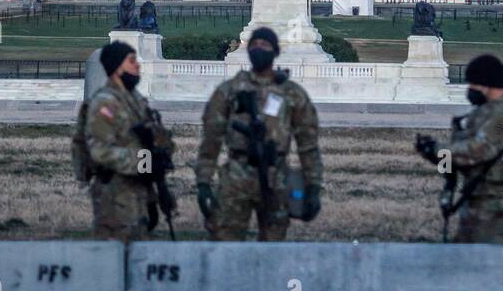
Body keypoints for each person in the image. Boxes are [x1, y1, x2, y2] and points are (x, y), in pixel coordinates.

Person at [194, 26, 322, 241]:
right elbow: (211, 140)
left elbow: (308, 144)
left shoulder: (292, 94)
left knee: (273, 243)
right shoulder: (230, 90)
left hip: (276, 176)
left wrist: (313, 185)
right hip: (237, 175)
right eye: (254, 45)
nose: (259, 49)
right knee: (224, 240)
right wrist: (203, 182)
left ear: (275, 51)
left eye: (265, 45)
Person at [414, 53, 503, 243]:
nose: (470, 89)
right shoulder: (482, 114)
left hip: (499, 208)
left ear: (486, 84)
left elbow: (478, 150)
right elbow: (456, 158)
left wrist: (438, 150)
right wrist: (435, 154)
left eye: (473, 84)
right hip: (476, 199)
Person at [79, 40, 176, 242]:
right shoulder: (104, 103)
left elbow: (152, 139)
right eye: (131, 61)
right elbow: (100, 151)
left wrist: (160, 155)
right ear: (116, 68)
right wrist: (145, 163)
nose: (138, 66)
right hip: (115, 194)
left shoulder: (136, 100)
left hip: (140, 191)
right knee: (114, 252)